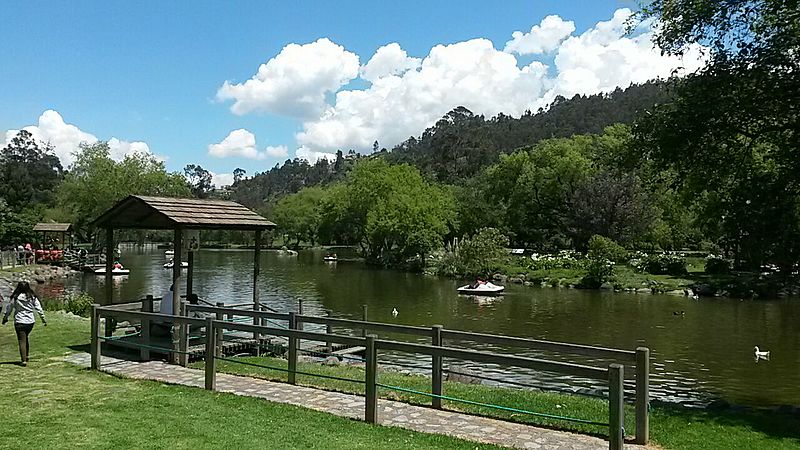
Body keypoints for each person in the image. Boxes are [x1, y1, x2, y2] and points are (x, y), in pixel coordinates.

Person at [2, 281, 46, 366]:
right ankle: (27, 356)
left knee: (21, 340)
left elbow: (9, 308)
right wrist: (43, 319)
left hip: (19, 321)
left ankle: (23, 360)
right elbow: (39, 308)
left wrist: (5, 318)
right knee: (25, 337)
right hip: (30, 321)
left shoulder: (15, 297)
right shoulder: (32, 297)